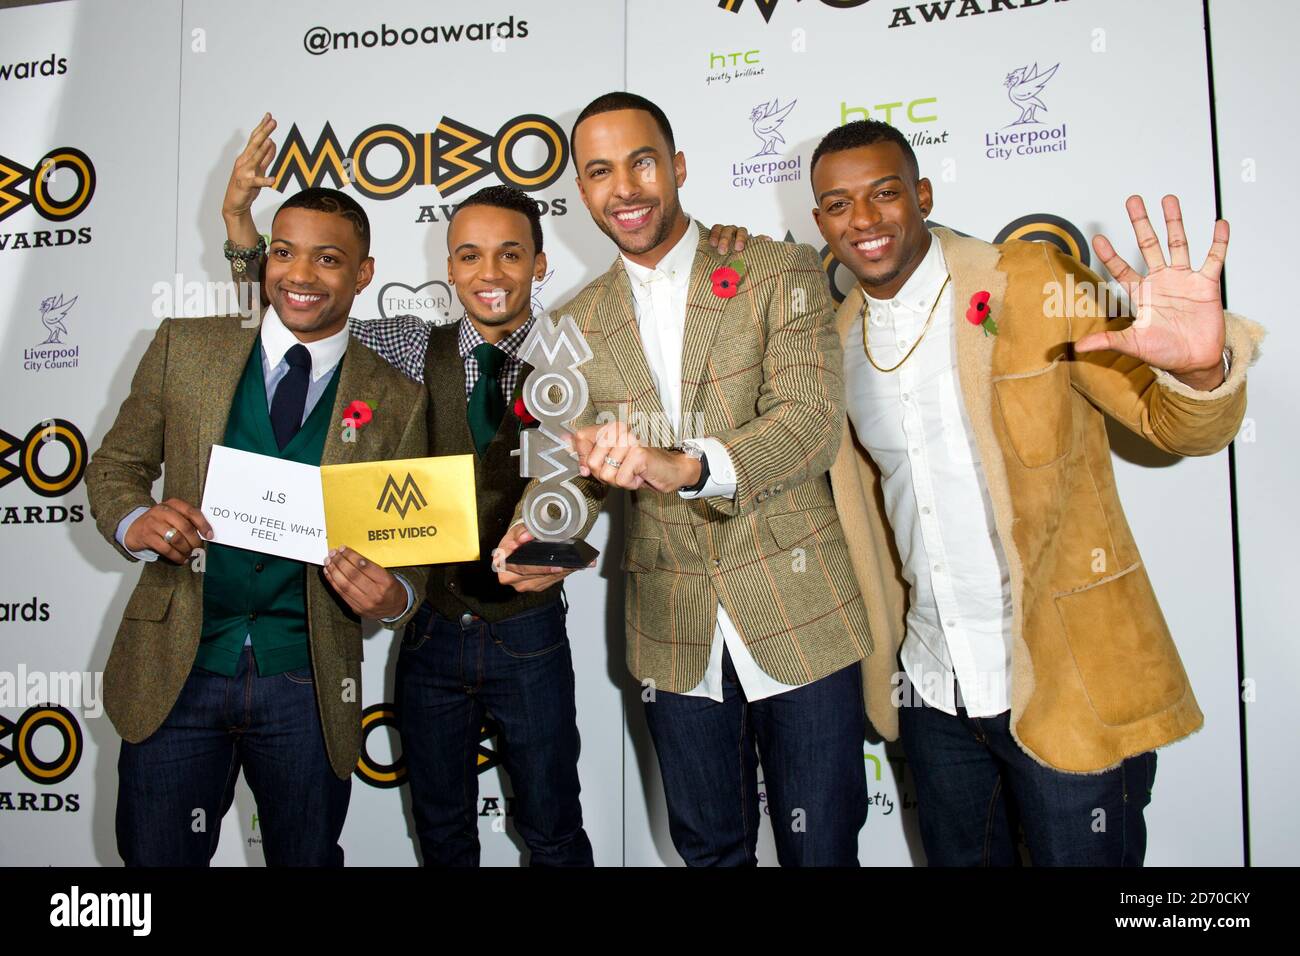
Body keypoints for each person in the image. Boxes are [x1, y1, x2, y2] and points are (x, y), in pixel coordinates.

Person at [220, 114, 753, 866]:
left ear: (540, 265)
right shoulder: (405, 345)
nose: (490, 272)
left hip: (531, 634)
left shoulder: (583, 350)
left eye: (510, 254)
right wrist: (243, 229)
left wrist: (714, 241)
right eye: (469, 255)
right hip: (430, 630)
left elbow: (593, 478)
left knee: (553, 829)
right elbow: (285, 321)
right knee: (441, 834)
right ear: (449, 266)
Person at [809, 119, 1264, 865]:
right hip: (934, 694)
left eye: (884, 193)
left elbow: (1174, 426)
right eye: (836, 204)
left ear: (922, 195)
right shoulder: (837, 342)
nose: (862, 219)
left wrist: (1200, 370)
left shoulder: (1032, 283)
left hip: (1064, 680)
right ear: (820, 220)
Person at [497, 92, 873, 867]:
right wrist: (543, 531)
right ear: (582, 190)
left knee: (824, 851)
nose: (624, 188)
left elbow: (807, 425)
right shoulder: (568, 325)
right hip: (672, 630)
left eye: (640, 162)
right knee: (709, 851)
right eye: (599, 172)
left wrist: (686, 466)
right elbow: (566, 470)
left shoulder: (778, 269)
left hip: (801, 610)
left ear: (677, 166)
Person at [86, 186, 428, 866]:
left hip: (306, 676)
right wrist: (136, 520)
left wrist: (396, 598)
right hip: (177, 667)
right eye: (282, 252)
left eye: (327, 259)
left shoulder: (398, 396)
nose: (299, 275)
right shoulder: (186, 346)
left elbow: (410, 553)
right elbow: (114, 467)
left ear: (363, 273)